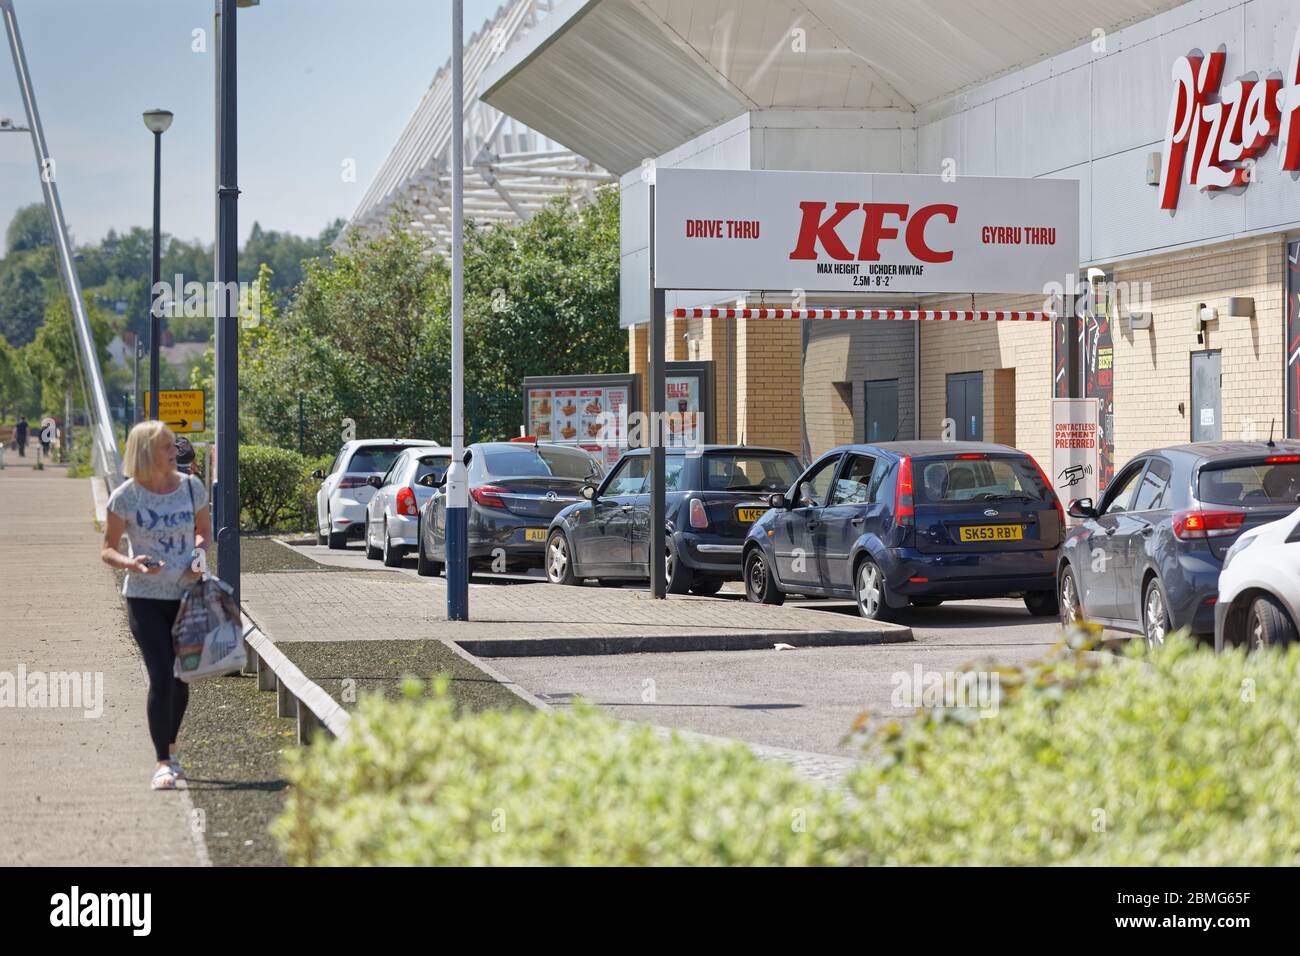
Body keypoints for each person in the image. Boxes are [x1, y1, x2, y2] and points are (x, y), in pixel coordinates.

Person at [101, 420, 211, 790]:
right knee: (161, 675)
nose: (174, 451)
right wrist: (130, 563)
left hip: (185, 594)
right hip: (144, 597)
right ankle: (163, 762)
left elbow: (203, 530)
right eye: (166, 446)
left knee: (181, 678)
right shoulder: (126, 497)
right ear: (147, 451)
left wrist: (197, 557)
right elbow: (108, 550)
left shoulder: (191, 487)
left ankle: (172, 744)